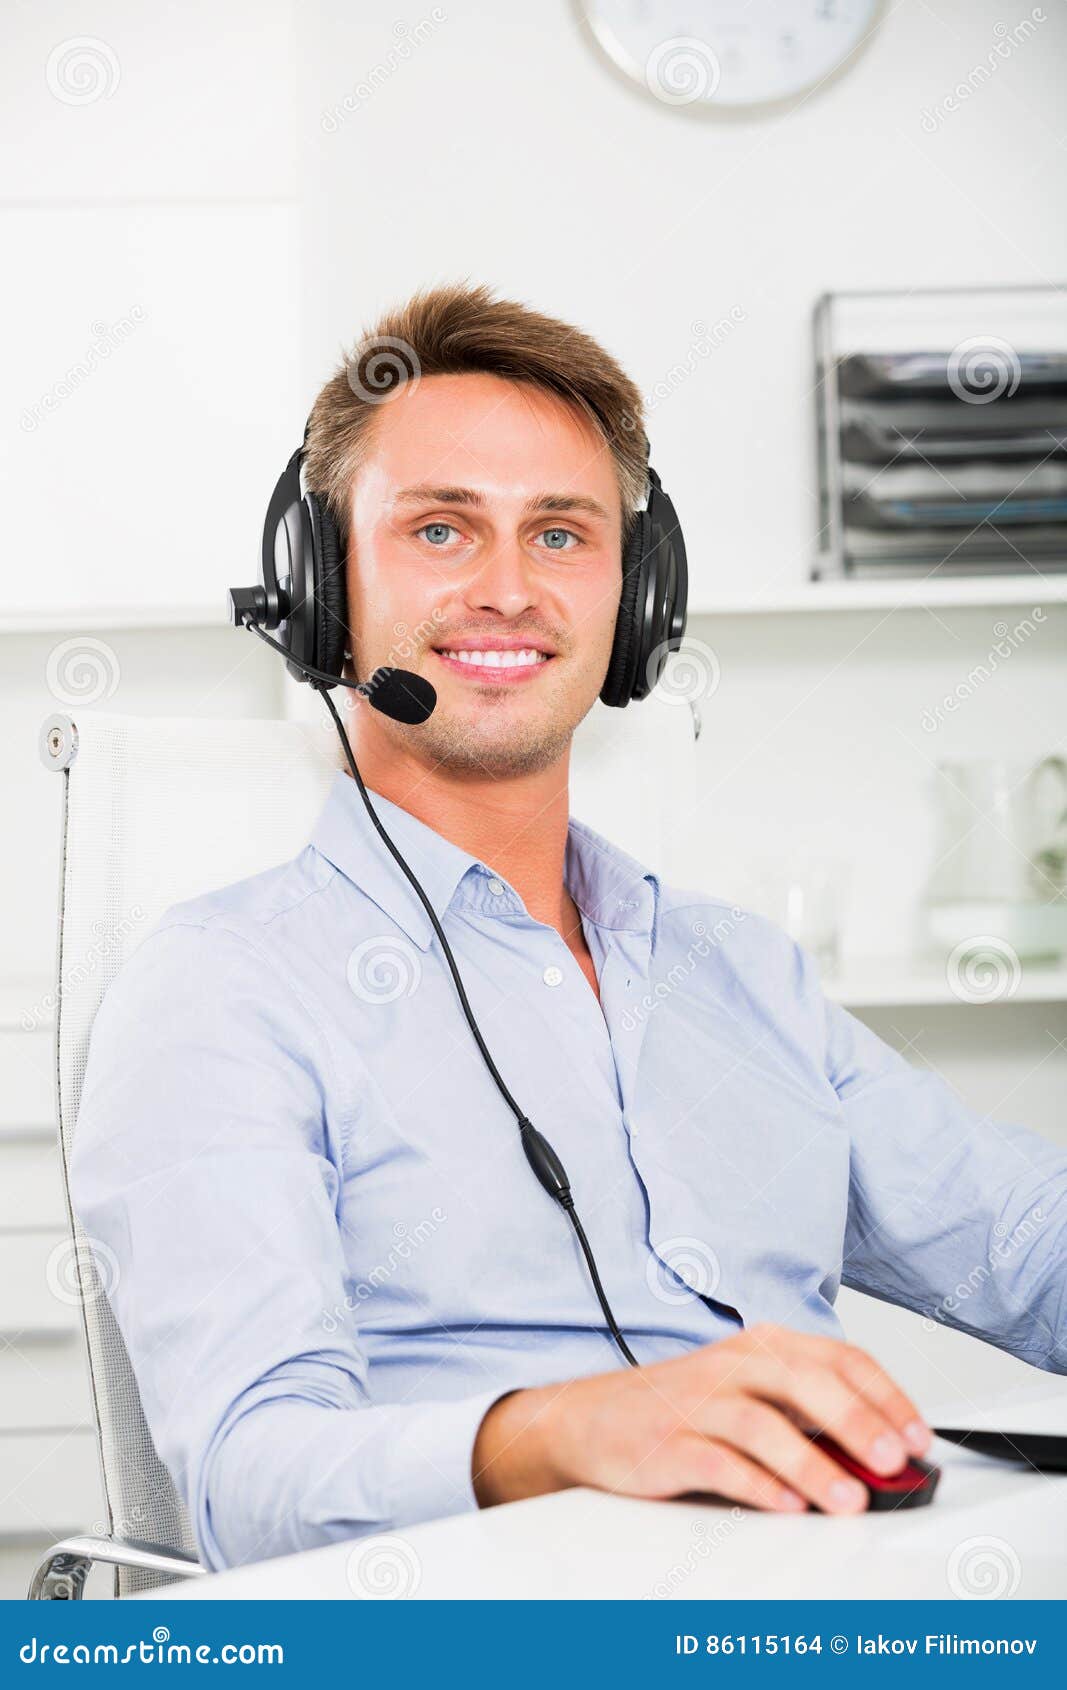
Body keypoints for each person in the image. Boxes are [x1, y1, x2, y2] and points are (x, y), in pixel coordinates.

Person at [71, 283, 1066, 1572]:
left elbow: (1021, 1240)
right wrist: (562, 1434)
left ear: (635, 597)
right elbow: (249, 1476)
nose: (506, 589)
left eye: (560, 534)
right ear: (323, 585)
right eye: (439, 529)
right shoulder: (221, 991)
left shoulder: (737, 971)